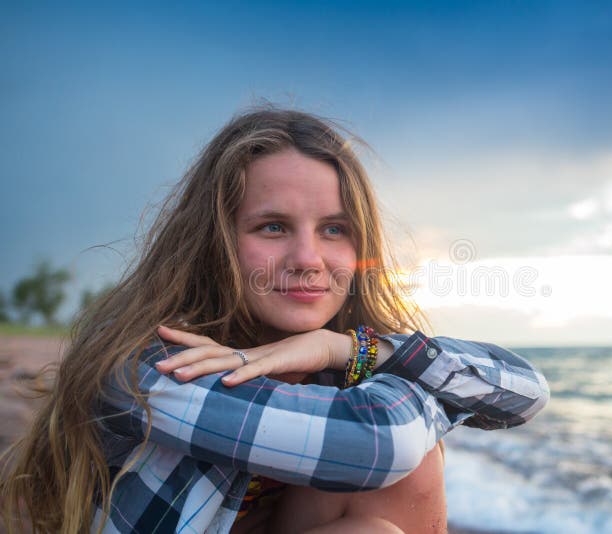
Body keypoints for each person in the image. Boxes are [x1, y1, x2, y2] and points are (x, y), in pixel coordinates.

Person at [0, 107, 549, 533]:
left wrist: (346, 350)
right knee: (413, 448)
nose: (308, 259)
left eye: (334, 229)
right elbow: (384, 442)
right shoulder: (158, 362)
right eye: (272, 227)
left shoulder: (334, 360)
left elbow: (527, 391)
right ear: (214, 243)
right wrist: (427, 387)